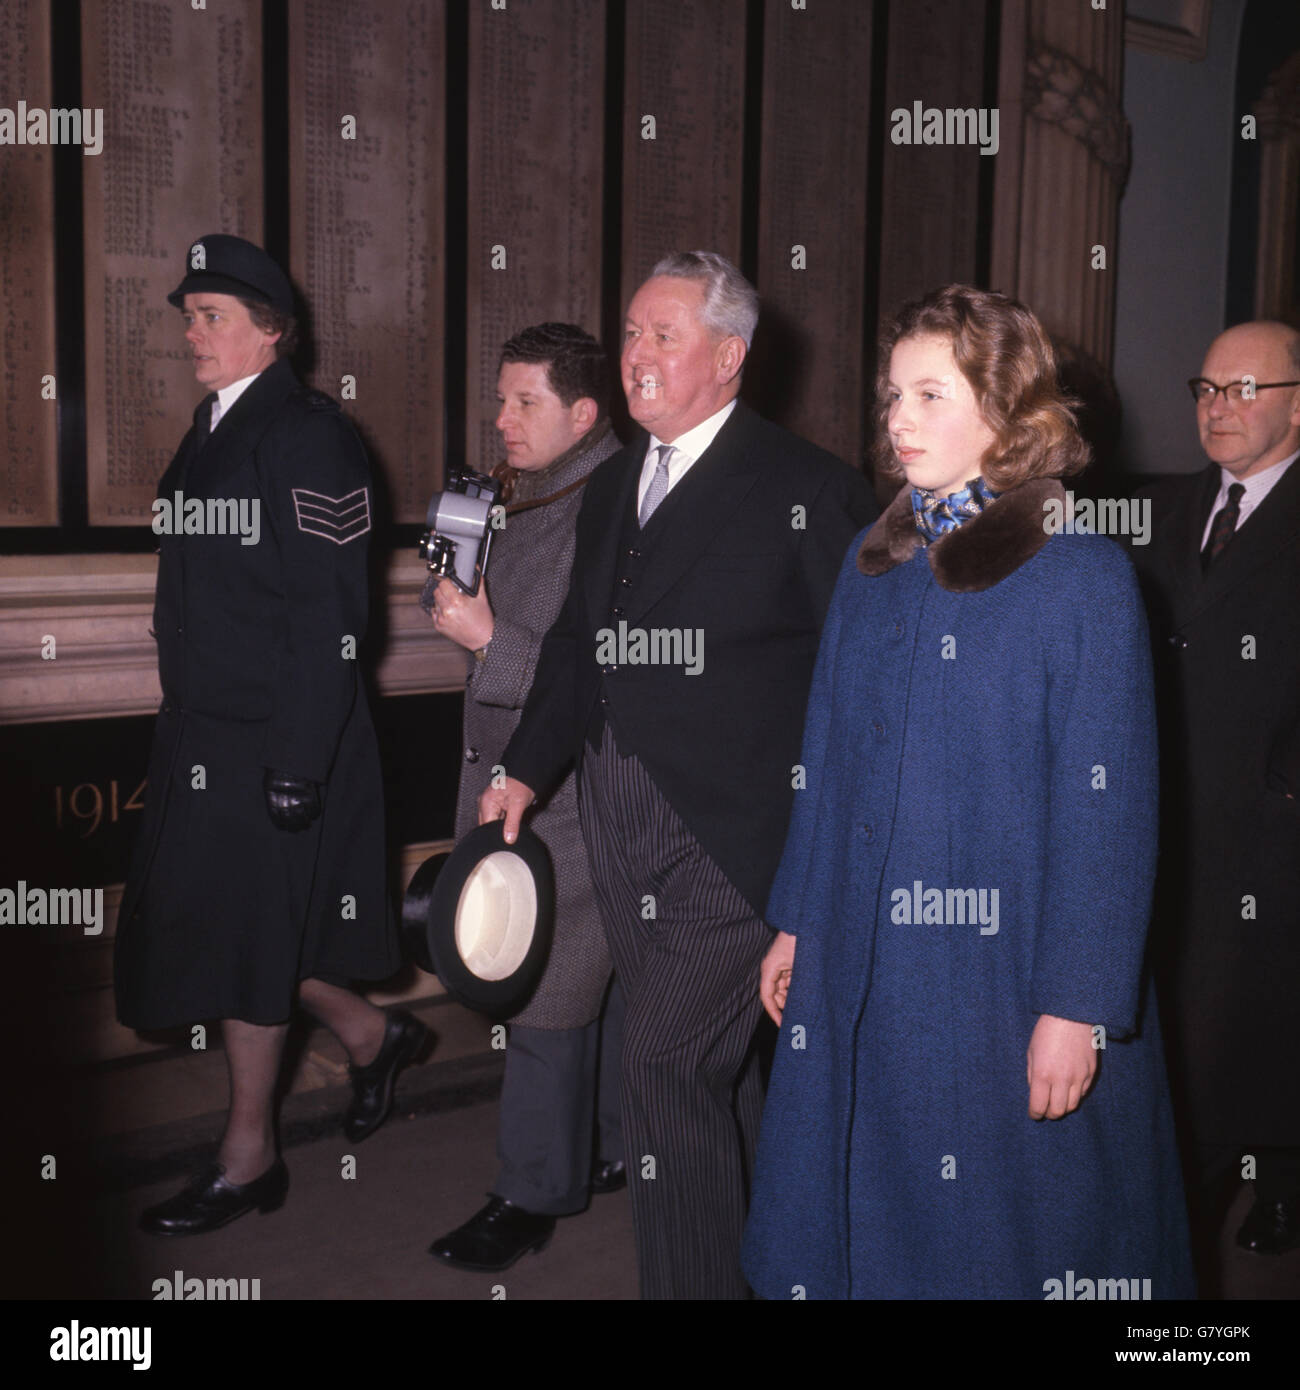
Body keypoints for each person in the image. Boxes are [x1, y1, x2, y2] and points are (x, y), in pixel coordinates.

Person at [740, 284, 1194, 1300]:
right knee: (861, 1213)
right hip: (865, 952)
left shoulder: (1080, 578)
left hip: (1008, 977)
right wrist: (794, 922)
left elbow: (1108, 811)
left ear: (1007, 411)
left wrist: (1078, 1005)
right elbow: (824, 758)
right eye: (891, 394)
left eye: (930, 394)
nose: (897, 419)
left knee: (1007, 1234)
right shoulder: (873, 568)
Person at [479, 252, 877, 1299]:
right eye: (631, 334)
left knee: (659, 1066)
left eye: (664, 335)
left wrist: (830, 860)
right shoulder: (615, 481)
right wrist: (526, 769)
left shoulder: (809, 488)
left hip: (735, 835)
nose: (637, 356)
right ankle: (776, 1263)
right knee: (714, 1073)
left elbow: (861, 686)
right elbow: (575, 644)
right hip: (617, 813)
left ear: (730, 355)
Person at [115, 234, 424, 1236]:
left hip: (273, 742)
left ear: (272, 332)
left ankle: (248, 1156)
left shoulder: (308, 434)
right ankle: (374, 1034)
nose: (191, 333)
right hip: (205, 736)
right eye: (188, 315)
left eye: (211, 316)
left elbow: (333, 612)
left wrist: (297, 759)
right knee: (229, 927)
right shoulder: (210, 426)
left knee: (249, 942)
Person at [425, 323, 626, 1271]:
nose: (500, 420)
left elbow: (596, 668)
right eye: (499, 399)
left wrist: (483, 639)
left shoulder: (611, 502)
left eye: (523, 403)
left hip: (570, 788)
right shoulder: (542, 491)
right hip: (522, 778)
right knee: (587, 986)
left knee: (548, 989)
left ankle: (532, 1193)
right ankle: (615, 1147)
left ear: (583, 414)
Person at [1131, 321, 1300, 1270]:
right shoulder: (1162, 506)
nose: (1217, 407)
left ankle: (1266, 1183)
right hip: (1167, 820)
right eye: (1206, 388)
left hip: (1268, 836)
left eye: (1243, 388)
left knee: (1260, 1033)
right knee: (1193, 1037)